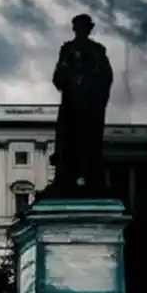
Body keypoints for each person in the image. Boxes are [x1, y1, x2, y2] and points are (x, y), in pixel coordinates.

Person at [45, 13, 114, 198]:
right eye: (78, 27)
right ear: (74, 29)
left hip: (91, 105)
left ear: (89, 29)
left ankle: (89, 177)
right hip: (72, 104)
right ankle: (68, 176)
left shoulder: (98, 51)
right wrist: (74, 81)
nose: (81, 30)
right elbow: (58, 76)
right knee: (70, 141)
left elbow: (107, 76)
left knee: (89, 141)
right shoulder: (67, 50)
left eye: (85, 27)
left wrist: (89, 83)